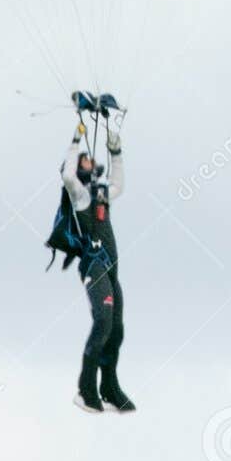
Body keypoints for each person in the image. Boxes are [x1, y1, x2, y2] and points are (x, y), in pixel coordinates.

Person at [62, 117, 135, 414]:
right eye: (85, 159)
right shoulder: (79, 195)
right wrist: (76, 138)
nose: (90, 160)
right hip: (94, 267)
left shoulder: (102, 192)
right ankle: (86, 388)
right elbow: (67, 175)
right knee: (103, 321)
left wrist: (115, 151)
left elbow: (119, 183)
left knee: (116, 329)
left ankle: (109, 387)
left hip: (111, 270)